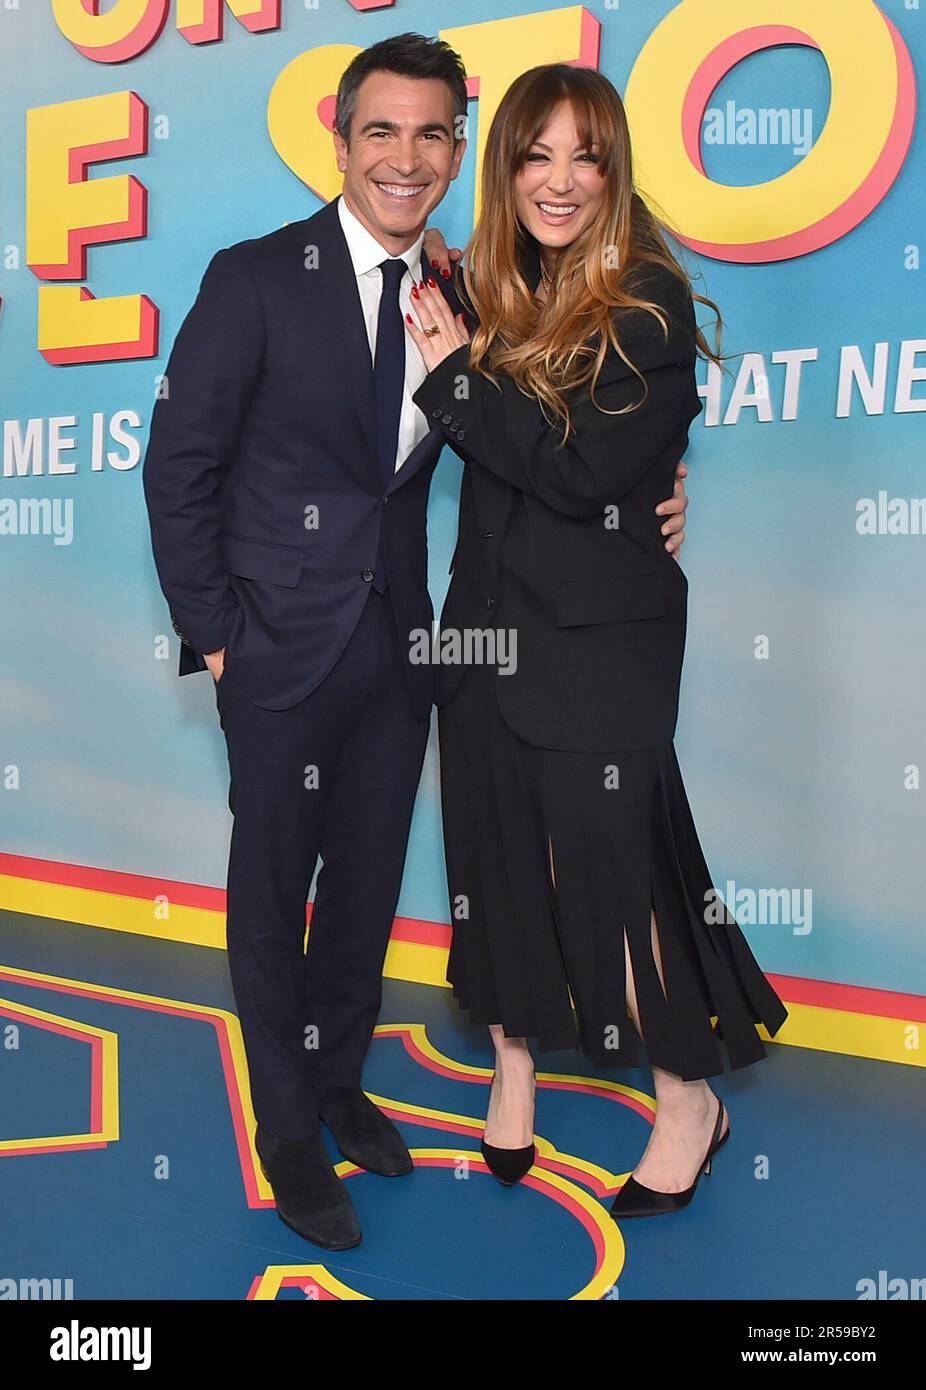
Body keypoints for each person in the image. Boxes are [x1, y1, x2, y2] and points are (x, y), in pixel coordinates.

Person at [142, 31, 692, 1249]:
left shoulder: (467, 288)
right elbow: (178, 464)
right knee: (271, 892)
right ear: (340, 135)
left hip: (409, 653)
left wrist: (660, 478)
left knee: (366, 891)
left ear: (458, 150)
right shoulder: (252, 277)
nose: (405, 156)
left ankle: (339, 1081)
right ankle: (285, 1124)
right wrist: (215, 637)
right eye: (380, 130)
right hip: (274, 648)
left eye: (432, 133)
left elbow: (557, 424)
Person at [407, 62, 788, 1219]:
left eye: (584, 155)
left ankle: (689, 1101)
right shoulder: (482, 288)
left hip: (597, 646)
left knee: (617, 874)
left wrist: (459, 385)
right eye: (534, 154)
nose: (559, 181)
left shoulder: (648, 301)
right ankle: (512, 1070)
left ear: (614, 169)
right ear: (504, 167)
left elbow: (581, 472)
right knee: (492, 859)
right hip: (478, 629)